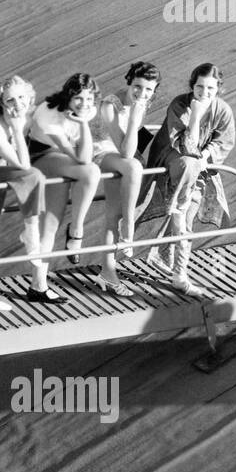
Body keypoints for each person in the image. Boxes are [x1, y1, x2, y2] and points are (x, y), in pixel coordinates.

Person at [144, 63, 235, 296]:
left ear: (219, 88)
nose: (205, 93)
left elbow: (224, 141)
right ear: (192, 86)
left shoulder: (222, 110)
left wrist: (207, 154)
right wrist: (195, 115)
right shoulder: (179, 104)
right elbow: (185, 147)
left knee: (186, 222)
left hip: (198, 172)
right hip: (172, 164)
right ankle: (115, 260)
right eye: (200, 87)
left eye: (210, 88)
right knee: (188, 164)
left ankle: (179, 273)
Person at [0, 77, 57, 306]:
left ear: (29, 97)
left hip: (6, 173)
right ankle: (30, 232)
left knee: (35, 177)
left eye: (22, 97)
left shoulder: (27, 118)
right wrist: (18, 131)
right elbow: (22, 166)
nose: (18, 104)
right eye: (10, 99)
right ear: (1, 103)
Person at [88, 62, 159, 297]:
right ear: (129, 82)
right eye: (137, 87)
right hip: (99, 151)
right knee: (133, 166)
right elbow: (126, 152)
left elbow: (130, 147)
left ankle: (107, 272)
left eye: (149, 90)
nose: (142, 94)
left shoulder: (143, 103)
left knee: (113, 214)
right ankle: (129, 226)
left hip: (120, 154)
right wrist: (133, 119)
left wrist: (136, 118)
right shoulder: (110, 105)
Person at [27, 73, 102, 272]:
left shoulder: (87, 110)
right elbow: (83, 159)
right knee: (91, 171)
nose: (84, 104)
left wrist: (83, 122)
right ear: (67, 96)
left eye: (89, 99)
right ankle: (76, 232)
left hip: (63, 160)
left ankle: (38, 286)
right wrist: (83, 123)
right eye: (78, 98)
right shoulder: (49, 113)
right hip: (40, 157)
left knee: (51, 223)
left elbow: (83, 153)